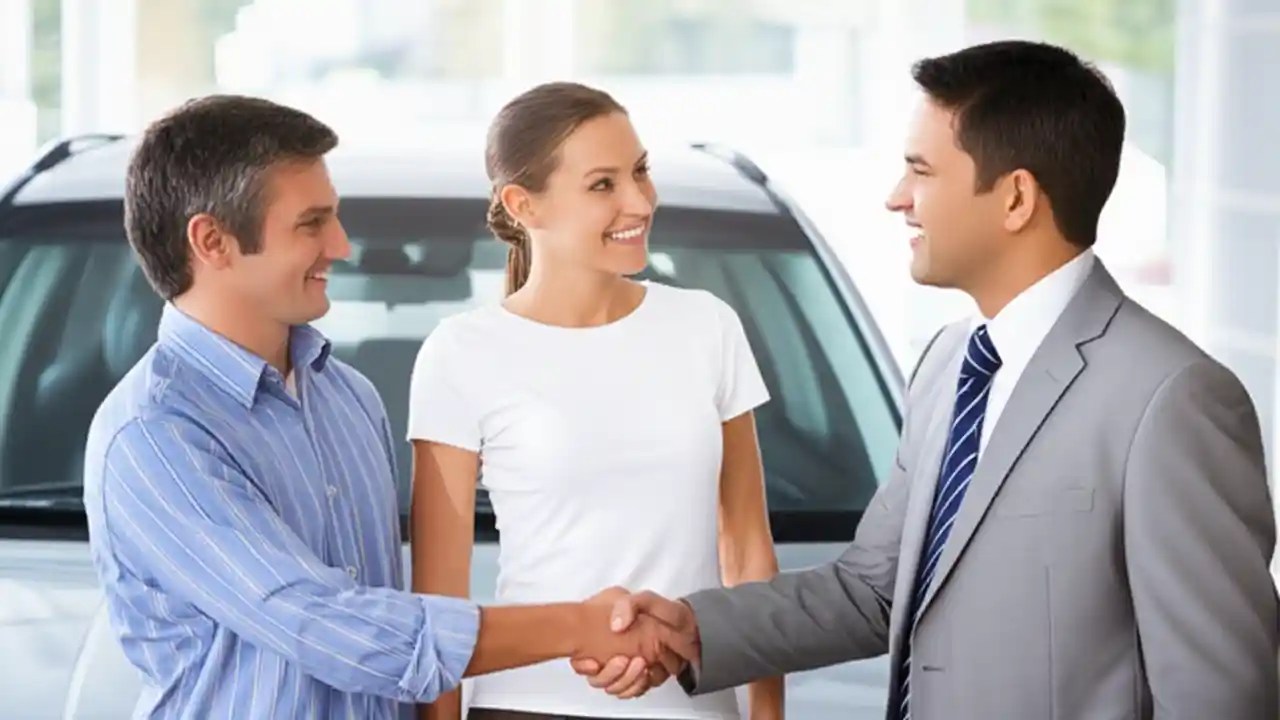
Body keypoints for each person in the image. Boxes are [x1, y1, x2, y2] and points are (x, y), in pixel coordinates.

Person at [578, 40, 1280, 719]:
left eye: (921, 171)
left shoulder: (1172, 399)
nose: (897, 198)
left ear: (1016, 199)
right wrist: (693, 628)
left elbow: (1222, 695)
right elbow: (876, 591)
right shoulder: (950, 363)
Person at [81, 94, 686, 720]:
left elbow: (394, 618)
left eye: (334, 218)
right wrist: (581, 626)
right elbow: (326, 626)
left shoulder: (347, 397)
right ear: (213, 241)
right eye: (311, 224)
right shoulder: (156, 436)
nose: (342, 245)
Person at [406, 81, 784, 720]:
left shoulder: (706, 326)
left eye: (641, 171)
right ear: (523, 205)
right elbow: (438, 604)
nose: (639, 200)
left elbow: (748, 553)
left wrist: (769, 715)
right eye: (603, 184)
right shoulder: (461, 353)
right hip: (529, 704)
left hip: (696, 707)